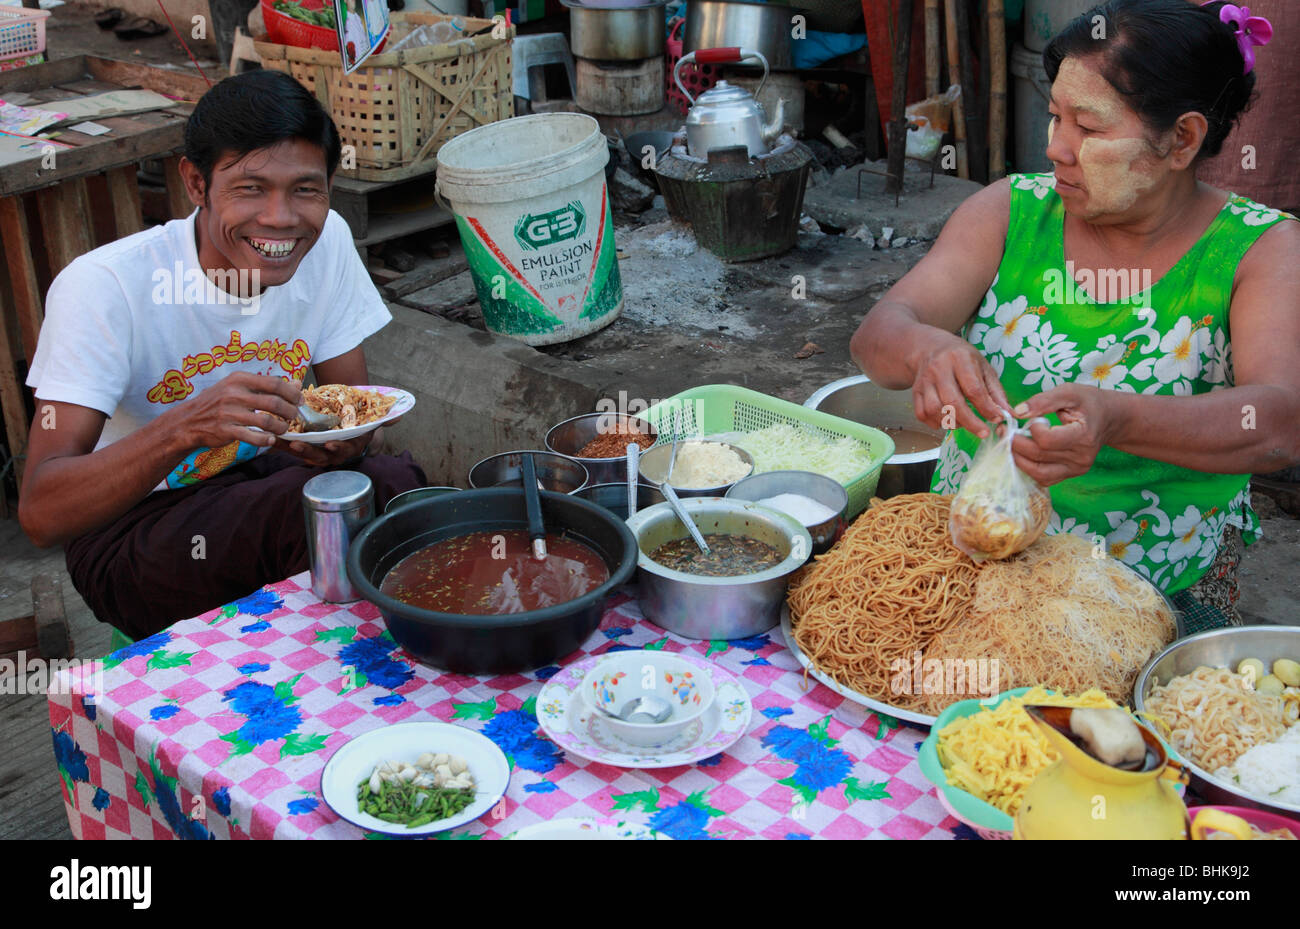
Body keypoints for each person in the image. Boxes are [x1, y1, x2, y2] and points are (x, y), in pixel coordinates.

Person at [851, 0, 1300, 627]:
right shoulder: (1010, 212)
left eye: (1088, 129)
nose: (1056, 147)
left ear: (1183, 139)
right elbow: (879, 333)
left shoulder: (1259, 249)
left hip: (1151, 588)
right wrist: (926, 349)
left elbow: (1278, 424)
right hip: (970, 552)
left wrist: (1117, 418)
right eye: (1056, 116)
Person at [19, 70, 426, 640]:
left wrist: (339, 441)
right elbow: (41, 513)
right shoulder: (105, 287)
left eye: (306, 189)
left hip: (260, 482)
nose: (282, 219)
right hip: (133, 528)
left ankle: (368, 672)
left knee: (389, 483)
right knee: (312, 515)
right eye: (250, 188)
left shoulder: (326, 239)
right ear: (195, 183)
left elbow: (357, 423)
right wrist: (184, 427)